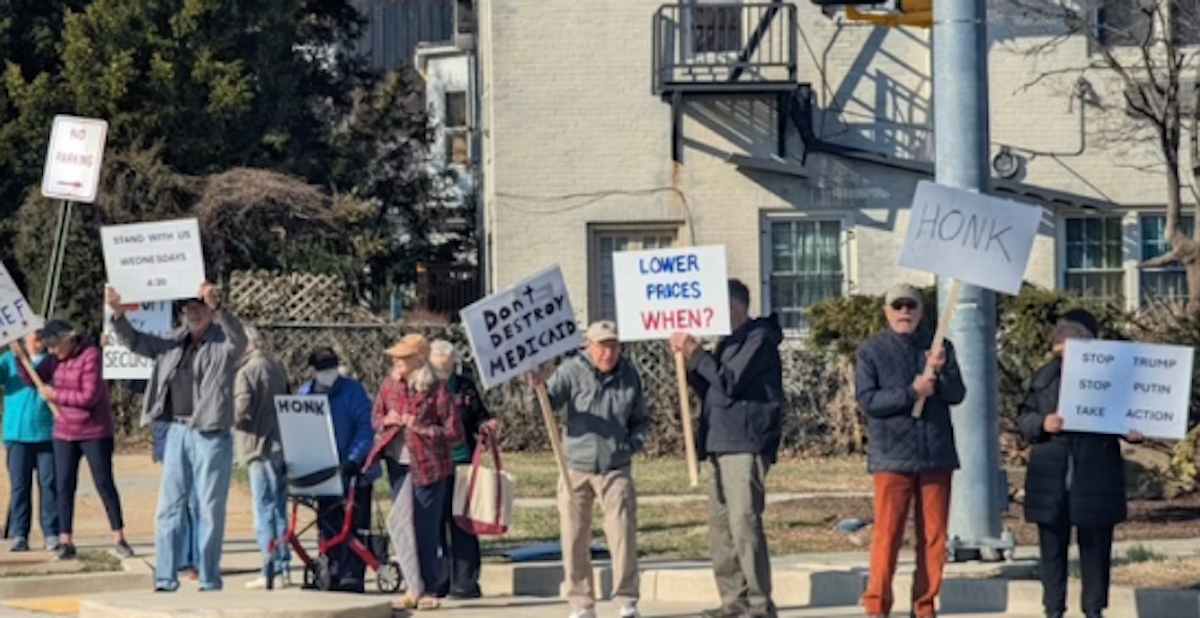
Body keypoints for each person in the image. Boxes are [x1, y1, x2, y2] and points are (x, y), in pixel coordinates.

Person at [107, 283, 247, 592]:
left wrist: (220, 307)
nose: (193, 311)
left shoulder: (223, 342)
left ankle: (208, 577)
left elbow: (240, 339)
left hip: (211, 434)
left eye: (199, 305)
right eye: (188, 306)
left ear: (209, 309)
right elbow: (136, 342)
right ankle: (166, 577)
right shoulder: (172, 341)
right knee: (169, 507)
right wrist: (118, 314)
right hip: (177, 431)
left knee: (209, 509)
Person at [671, 279, 783, 618]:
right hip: (719, 441)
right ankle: (733, 601)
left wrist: (698, 354)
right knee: (721, 530)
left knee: (744, 523)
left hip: (745, 442)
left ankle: (761, 603)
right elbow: (713, 389)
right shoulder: (726, 343)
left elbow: (731, 383)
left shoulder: (758, 338)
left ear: (738, 306)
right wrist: (689, 363)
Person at [1019, 309, 1141, 618]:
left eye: (1078, 338)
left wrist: (1135, 430)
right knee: (1052, 550)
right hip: (1052, 471)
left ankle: (1094, 609)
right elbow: (1023, 419)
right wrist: (1042, 423)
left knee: (1096, 548)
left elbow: (1132, 415)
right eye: (1065, 337)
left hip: (1096, 469)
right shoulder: (1044, 378)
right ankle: (1054, 609)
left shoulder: (1113, 378)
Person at [855, 283, 967, 618]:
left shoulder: (939, 345)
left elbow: (957, 394)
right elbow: (868, 400)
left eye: (911, 306)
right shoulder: (871, 351)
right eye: (897, 306)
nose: (905, 312)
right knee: (887, 535)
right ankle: (877, 606)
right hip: (891, 456)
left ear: (921, 311)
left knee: (934, 538)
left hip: (935, 454)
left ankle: (925, 605)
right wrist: (911, 391)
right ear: (887, 312)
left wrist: (943, 369)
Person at [530, 321, 648, 618]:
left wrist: (631, 445)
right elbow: (544, 404)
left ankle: (626, 600)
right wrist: (537, 389)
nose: (608, 352)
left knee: (622, 534)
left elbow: (642, 419)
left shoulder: (629, 375)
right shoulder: (571, 370)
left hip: (615, 467)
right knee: (574, 537)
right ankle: (581, 603)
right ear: (589, 346)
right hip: (575, 468)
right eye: (602, 346)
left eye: (613, 345)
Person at [17, 320, 133, 560]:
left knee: (103, 482)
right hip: (64, 431)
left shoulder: (91, 356)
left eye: (55, 346)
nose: (52, 352)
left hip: (94, 431)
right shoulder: (53, 360)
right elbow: (33, 380)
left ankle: (119, 536)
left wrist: (55, 395)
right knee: (63, 485)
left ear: (68, 340)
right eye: (48, 348)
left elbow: (89, 396)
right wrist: (21, 360)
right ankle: (65, 539)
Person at [376, 334, 460, 611]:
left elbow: (452, 432)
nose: (396, 361)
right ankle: (413, 584)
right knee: (402, 525)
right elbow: (376, 416)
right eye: (395, 357)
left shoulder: (438, 389)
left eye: (402, 357)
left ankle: (430, 587)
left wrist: (419, 427)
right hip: (397, 463)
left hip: (429, 466)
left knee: (425, 527)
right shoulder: (390, 385)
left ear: (419, 359)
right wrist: (387, 421)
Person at [298, 347, 375, 593]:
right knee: (328, 524)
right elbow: (298, 429)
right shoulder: (305, 395)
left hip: (354, 472)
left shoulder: (353, 391)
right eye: (322, 369)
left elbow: (366, 427)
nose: (327, 374)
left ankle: (353, 575)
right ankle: (330, 571)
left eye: (331, 368)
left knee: (354, 525)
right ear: (312, 371)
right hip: (324, 472)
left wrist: (354, 459)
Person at [429, 339, 498, 600]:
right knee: (435, 524)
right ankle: (440, 579)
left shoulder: (465, 387)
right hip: (434, 464)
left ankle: (466, 582)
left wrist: (486, 425)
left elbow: (480, 415)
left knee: (463, 524)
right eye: (439, 368)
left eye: (448, 368)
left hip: (462, 463)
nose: (444, 374)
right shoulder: (424, 387)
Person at [234, 326, 292, 590]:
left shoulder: (246, 372)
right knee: (279, 509)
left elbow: (241, 408)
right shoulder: (276, 367)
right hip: (281, 442)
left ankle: (270, 566)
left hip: (258, 445)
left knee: (263, 510)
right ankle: (284, 567)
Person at [2, 332, 58, 553]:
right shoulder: (9, 359)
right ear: (25, 338)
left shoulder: (54, 361)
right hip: (17, 435)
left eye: (42, 336)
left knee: (50, 485)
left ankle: (52, 533)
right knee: (19, 487)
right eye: (34, 336)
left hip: (48, 434)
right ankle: (19, 534)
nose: (38, 340)